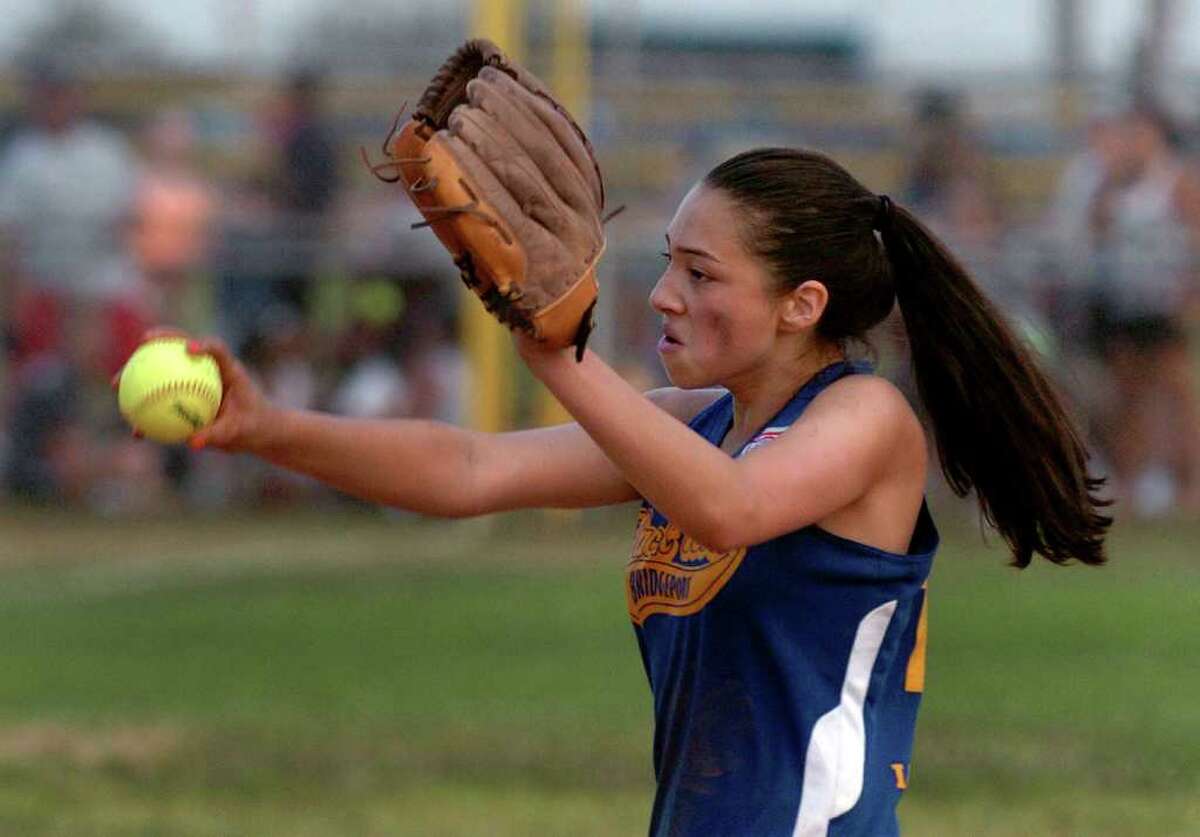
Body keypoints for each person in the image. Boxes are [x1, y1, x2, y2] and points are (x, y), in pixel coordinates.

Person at [153, 147, 1109, 835]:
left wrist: (562, 361)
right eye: (668, 264)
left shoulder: (864, 419)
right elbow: (469, 470)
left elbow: (731, 510)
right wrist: (269, 429)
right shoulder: (691, 426)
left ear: (802, 304)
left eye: (701, 273)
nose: (664, 295)